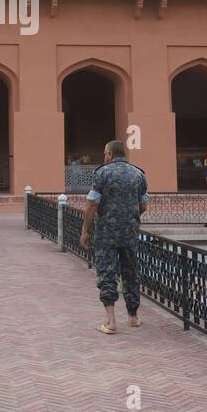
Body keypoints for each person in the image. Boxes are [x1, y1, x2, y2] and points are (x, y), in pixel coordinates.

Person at [80, 140, 148, 334]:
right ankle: (133, 317)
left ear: (109, 154)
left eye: (105, 153)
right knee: (131, 272)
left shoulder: (102, 173)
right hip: (130, 233)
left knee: (107, 273)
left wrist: (85, 230)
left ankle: (111, 322)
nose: (104, 156)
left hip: (106, 234)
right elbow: (143, 206)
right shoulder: (138, 174)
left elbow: (92, 204)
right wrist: (129, 219)